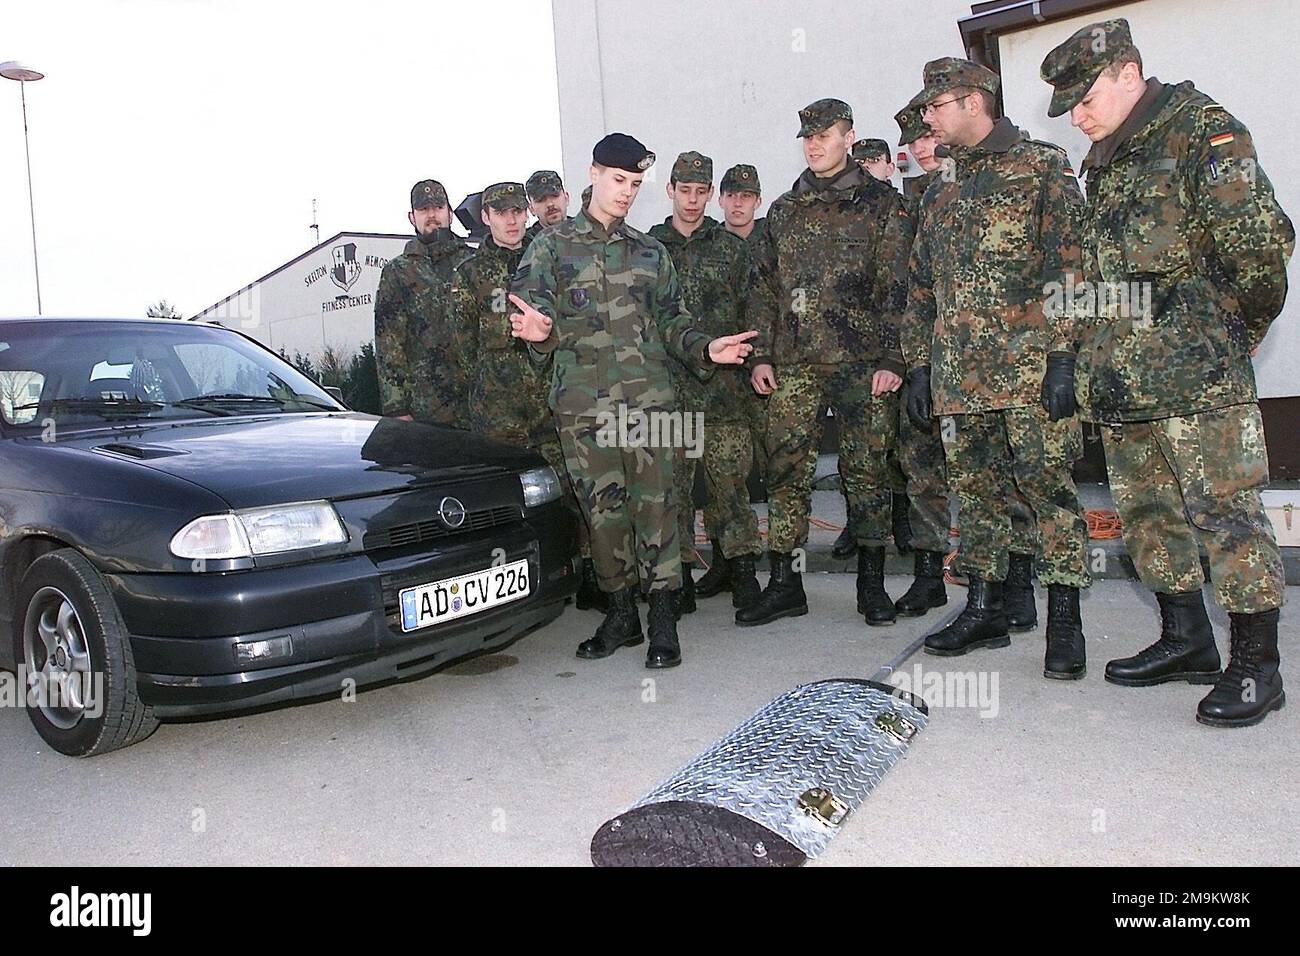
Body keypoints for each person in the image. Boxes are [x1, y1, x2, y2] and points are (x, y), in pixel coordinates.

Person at [1042, 18, 1294, 723]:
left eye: (1085, 98)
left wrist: (1226, 335)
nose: (1078, 116)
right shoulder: (1108, 156)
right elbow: (1098, 271)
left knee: (1228, 516)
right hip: (1125, 378)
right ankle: (1186, 638)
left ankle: (1256, 666)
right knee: (1149, 514)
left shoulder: (1204, 133)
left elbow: (1257, 255)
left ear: (1128, 72)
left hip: (1198, 378)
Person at [508, 133, 757, 669]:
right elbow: (534, 312)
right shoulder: (551, 247)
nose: (626, 193)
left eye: (636, 184)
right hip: (583, 407)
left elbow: (674, 322)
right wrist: (539, 331)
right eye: (619, 181)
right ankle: (621, 614)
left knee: (660, 509)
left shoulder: (650, 251)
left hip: (653, 403)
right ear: (594, 173)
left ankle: (663, 620)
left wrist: (707, 348)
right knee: (604, 515)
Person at [904, 58, 1091, 678]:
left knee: (1048, 493)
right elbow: (922, 287)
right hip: (960, 376)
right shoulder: (941, 187)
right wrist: (919, 367)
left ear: (974, 101)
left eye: (936, 105)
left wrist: (1064, 355)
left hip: (1031, 371)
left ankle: (1065, 622)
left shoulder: (1043, 167)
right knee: (976, 495)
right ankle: (984, 608)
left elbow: (1072, 266)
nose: (928, 117)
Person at [739, 97, 912, 629]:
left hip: (863, 364)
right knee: (786, 472)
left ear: (849, 137)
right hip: (794, 362)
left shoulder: (883, 204)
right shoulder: (786, 212)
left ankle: (871, 585)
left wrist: (893, 357)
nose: (814, 145)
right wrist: (762, 353)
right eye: (807, 137)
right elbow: (763, 287)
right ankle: (786, 584)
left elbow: (899, 286)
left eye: (825, 135)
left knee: (867, 473)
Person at [448, 182, 605, 613]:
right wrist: (484, 389)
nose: (512, 220)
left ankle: (591, 574)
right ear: (487, 218)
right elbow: (462, 346)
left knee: (574, 490)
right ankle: (512, 585)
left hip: (553, 398)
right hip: (498, 409)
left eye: (518, 211)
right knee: (505, 502)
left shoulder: (548, 259)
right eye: (502, 213)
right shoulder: (468, 273)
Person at [649, 151, 763, 613]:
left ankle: (741, 573)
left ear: (711, 194)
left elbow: (754, 310)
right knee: (671, 492)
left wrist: (756, 359)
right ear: (670, 190)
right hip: (667, 391)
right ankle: (676, 583)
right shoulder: (650, 249)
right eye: (685, 190)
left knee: (730, 488)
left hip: (723, 390)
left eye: (702, 191)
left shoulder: (731, 249)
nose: (693, 200)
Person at [373, 179, 471, 426]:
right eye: (423, 209)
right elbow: (389, 343)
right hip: (425, 409)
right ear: (412, 217)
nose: (432, 215)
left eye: (438, 207)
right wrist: (397, 408)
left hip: (478, 403)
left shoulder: (474, 262)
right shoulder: (398, 272)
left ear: (449, 212)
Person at [718, 163, 765, 243]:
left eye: (746, 196)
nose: (737, 203)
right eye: (731, 195)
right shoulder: (707, 242)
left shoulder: (774, 241)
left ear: (758, 202)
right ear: (721, 201)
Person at [524, 170, 570, 245]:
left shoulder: (587, 231)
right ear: (531, 209)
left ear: (566, 198)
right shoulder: (526, 245)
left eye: (554, 196)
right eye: (541, 200)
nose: (550, 204)